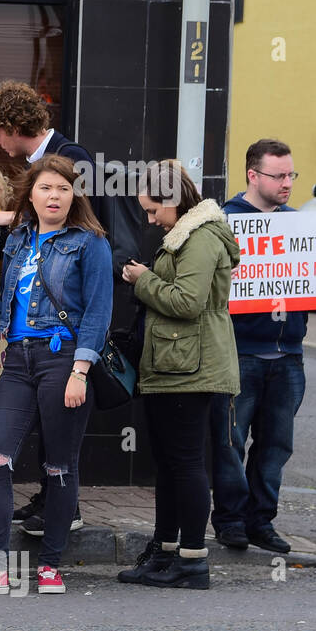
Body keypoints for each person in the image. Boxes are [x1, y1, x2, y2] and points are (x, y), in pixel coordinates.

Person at [0, 79, 135, 534]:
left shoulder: (71, 158)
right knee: (38, 429)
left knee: (60, 435)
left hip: (71, 320)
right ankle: (49, 502)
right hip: (31, 340)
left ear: (11, 125)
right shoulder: (53, 158)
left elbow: (83, 229)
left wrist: (8, 217)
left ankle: (62, 512)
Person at [0, 155, 112, 594]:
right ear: (31, 195)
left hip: (64, 359)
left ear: (74, 194)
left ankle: (51, 567)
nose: (54, 196)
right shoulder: (19, 238)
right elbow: (9, 299)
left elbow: (98, 311)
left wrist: (82, 369)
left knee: (58, 465)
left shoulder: (89, 241)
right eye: (46, 188)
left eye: (62, 188)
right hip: (17, 359)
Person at [117, 161, 239, 589]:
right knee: (170, 465)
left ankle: (192, 561)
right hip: (175, 363)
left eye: (153, 211)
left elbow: (187, 302)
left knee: (185, 464)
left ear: (173, 199)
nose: (150, 220)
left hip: (192, 366)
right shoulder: (186, 233)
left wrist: (143, 278)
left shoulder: (201, 237)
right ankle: (165, 551)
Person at [209, 139, 308, 555]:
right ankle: (230, 520)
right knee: (230, 441)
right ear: (253, 175)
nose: (287, 183)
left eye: (291, 175)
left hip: (289, 354)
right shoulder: (227, 221)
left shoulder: (299, 223)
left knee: (276, 444)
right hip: (241, 351)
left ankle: (260, 521)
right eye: (278, 175)